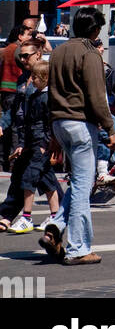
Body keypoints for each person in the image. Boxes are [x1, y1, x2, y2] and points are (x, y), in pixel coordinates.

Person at [41, 5, 115, 265]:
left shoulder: (59, 51)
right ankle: (78, 248)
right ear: (95, 30)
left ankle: (55, 227)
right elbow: (98, 98)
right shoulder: (89, 54)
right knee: (84, 189)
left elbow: (51, 92)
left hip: (59, 123)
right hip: (80, 124)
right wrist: (110, 129)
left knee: (78, 183)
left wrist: (53, 130)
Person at [7, 60, 62, 234]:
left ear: (45, 78)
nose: (32, 80)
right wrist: (23, 144)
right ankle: (54, 215)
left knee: (29, 179)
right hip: (33, 143)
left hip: (41, 145)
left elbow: (49, 123)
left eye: (35, 77)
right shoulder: (35, 96)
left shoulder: (47, 98)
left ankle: (27, 217)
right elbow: (28, 123)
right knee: (47, 180)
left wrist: (46, 144)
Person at [1, 19, 39, 170]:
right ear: (19, 36)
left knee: (7, 130)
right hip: (14, 92)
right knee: (16, 128)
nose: (30, 36)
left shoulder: (5, 50)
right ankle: (14, 162)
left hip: (5, 92)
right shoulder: (18, 51)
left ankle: (5, 161)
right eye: (28, 33)